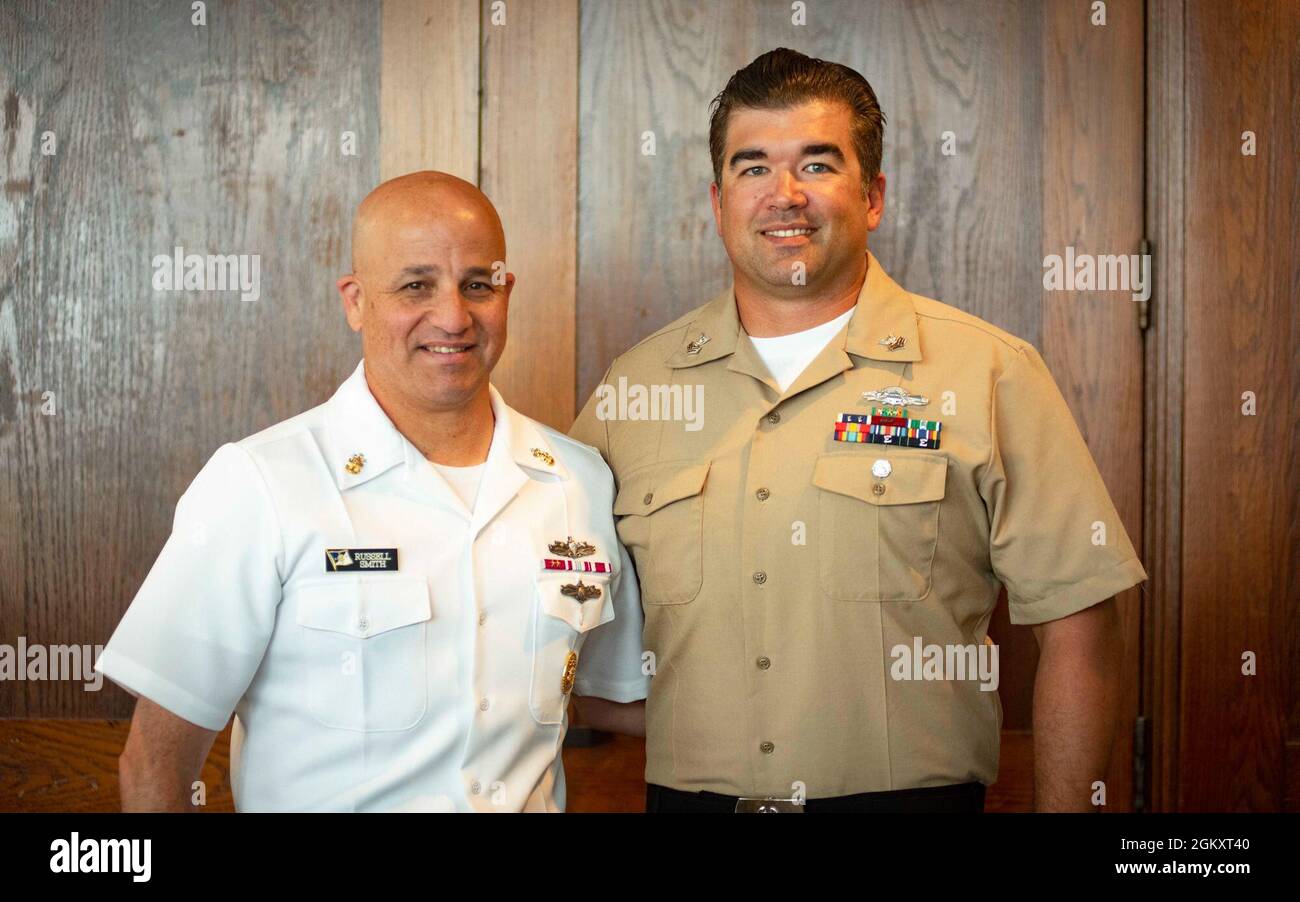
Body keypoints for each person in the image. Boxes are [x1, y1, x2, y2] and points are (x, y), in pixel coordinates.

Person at [570, 48, 1146, 813]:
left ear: (873, 196)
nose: (784, 196)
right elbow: (541, 613)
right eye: (752, 169)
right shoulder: (633, 392)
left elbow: (1080, 627)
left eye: (817, 165)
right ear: (717, 203)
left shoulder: (987, 373)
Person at [97, 171, 648, 812]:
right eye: (417, 285)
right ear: (356, 300)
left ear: (506, 292)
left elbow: (619, 693)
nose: (453, 316)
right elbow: (155, 766)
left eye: (478, 285)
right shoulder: (261, 483)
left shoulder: (578, 479)